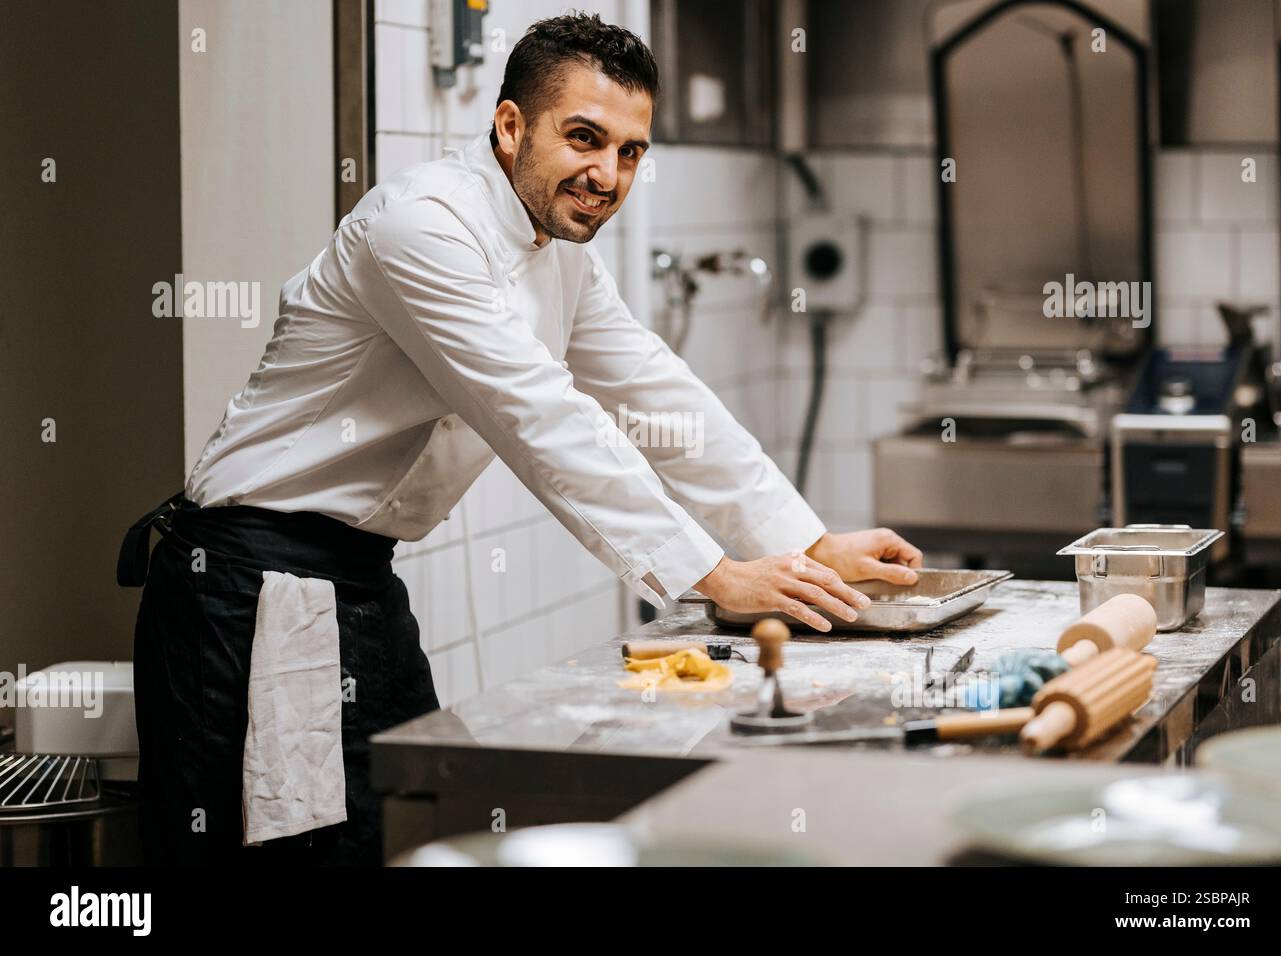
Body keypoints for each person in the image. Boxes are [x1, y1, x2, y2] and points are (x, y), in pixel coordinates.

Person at [120, 11, 922, 867]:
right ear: (510, 126)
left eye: (630, 151)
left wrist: (805, 542)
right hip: (247, 593)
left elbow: (659, 395)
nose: (607, 174)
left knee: (394, 832)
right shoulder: (419, 228)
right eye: (584, 138)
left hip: (357, 584)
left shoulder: (558, 256)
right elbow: (543, 420)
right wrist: (714, 576)